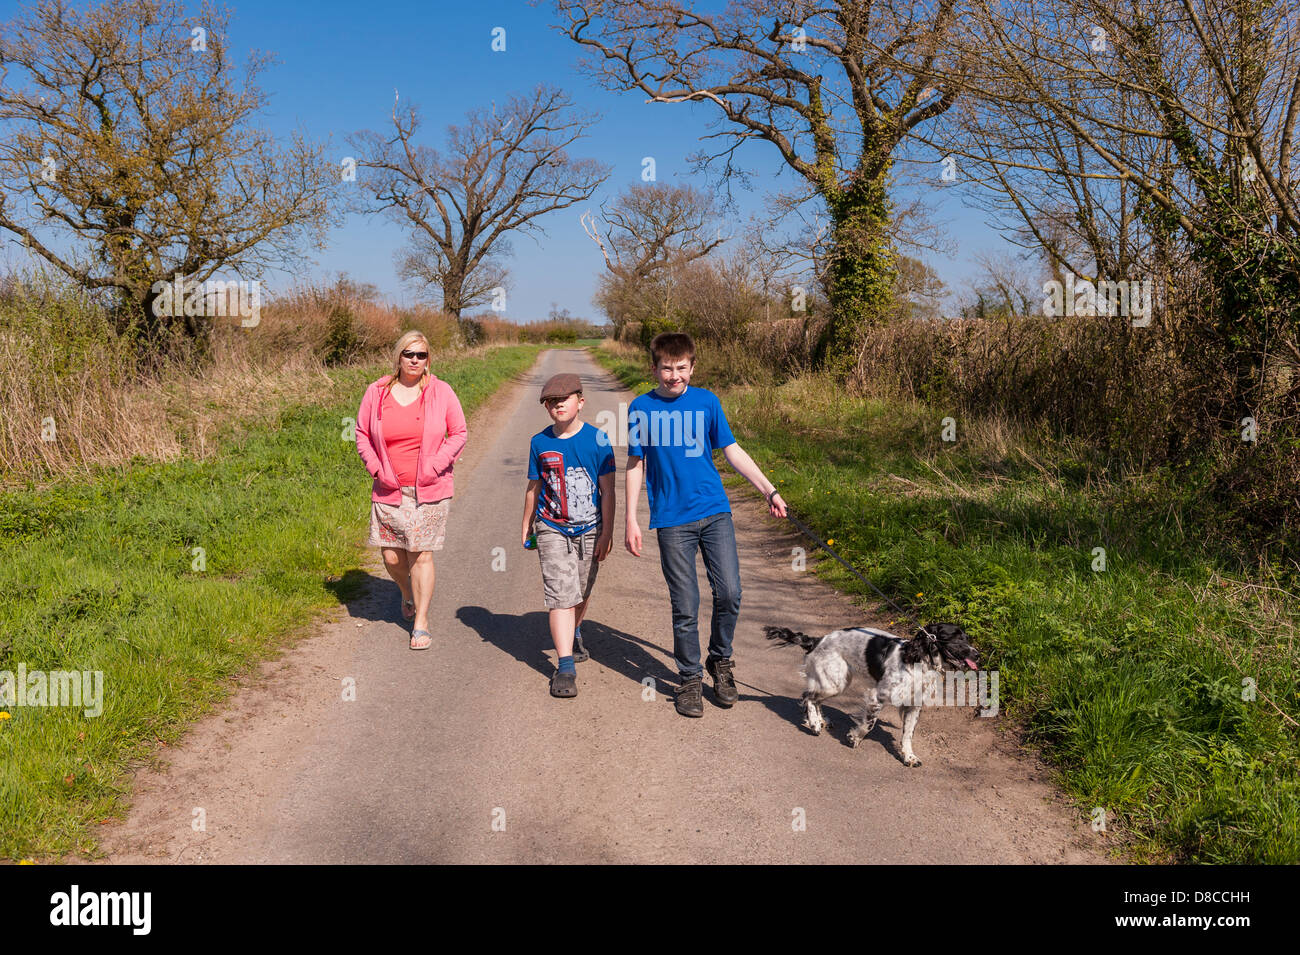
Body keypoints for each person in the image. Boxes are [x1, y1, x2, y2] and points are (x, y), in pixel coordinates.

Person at [624, 332, 787, 717]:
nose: (674, 375)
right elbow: (635, 464)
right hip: (671, 520)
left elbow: (732, 450)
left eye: (681, 368)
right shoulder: (640, 409)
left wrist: (768, 490)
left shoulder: (707, 402)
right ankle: (689, 678)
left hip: (715, 512)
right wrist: (631, 518)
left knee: (729, 592)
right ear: (654, 368)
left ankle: (720, 661)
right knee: (686, 604)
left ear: (692, 368)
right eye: (667, 368)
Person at [356, 331, 467, 649]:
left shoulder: (441, 392)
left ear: (428, 359)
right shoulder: (377, 392)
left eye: (421, 355)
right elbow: (361, 433)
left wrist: (436, 465)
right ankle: (406, 592)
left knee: (421, 555)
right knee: (392, 556)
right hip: (389, 489)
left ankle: (421, 622)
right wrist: (376, 468)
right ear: (398, 357)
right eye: (409, 354)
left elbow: (458, 433)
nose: (415, 360)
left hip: (429, 490)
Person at [521, 372, 615, 698]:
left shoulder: (598, 441)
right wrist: (527, 524)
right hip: (551, 526)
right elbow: (534, 488)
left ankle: (575, 630)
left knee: (580, 591)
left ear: (581, 402)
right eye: (551, 401)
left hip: (591, 528)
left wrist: (608, 532)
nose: (558, 404)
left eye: (565, 398)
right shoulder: (539, 442)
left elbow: (608, 492)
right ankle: (564, 666)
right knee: (561, 593)